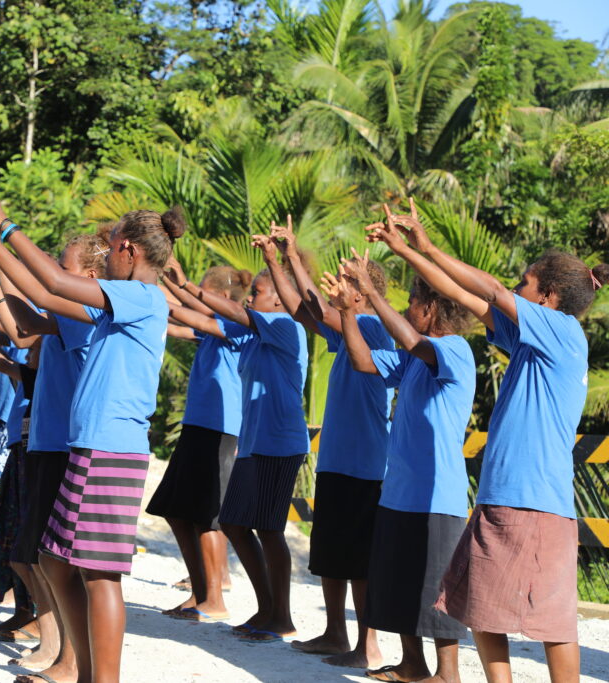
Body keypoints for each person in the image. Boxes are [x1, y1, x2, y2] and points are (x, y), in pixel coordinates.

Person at [0, 174, 182, 683]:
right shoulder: (117, 304)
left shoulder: (144, 298)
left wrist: (4, 224)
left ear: (127, 249)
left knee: (100, 576)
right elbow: (40, 296)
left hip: (111, 448)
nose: (104, 259)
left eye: (109, 250)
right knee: (54, 558)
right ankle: (83, 669)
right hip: (91, 446)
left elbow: (57, 283)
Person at [377, 201, 607, 683]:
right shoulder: (532, 340)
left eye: (527, 283)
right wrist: (408, 250)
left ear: (547, 298)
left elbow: (494, 291)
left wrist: (428, 244)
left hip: (531, 499)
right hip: (507, 496)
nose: (517, 288)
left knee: (552, 620)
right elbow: (465, 295)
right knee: (478, 606)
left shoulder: (563, 332)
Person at [325, 241, 475, 683]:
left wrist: (370, 294)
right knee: (397, 581)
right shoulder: (411, 360)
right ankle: (413, 665)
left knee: (435, 589)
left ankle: (448, 674)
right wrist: (348, 312)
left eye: (413, 303)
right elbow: (362, 360)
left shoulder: (455, 350)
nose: (409, 310)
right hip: (400, 491)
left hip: (437, 495)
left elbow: (411, 340)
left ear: (431, 309)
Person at [0, 229, 109, 679]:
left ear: (88, 275)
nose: (57, 276)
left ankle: (69, 659)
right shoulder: (69, 316)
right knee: (40, 557)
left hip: (63, 445)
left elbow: (26, 312)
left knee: (58, 561)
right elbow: (21, 320)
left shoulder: (87, 311)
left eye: (65, 267)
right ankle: (65, 655)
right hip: (44, 443)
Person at [258, 216, 392, 668]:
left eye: (347, 283)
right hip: (337, 460)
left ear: (364, 294)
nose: (338, 287)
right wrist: (279, 259)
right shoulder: (351, 326)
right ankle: (336, 634)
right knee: (332, 554)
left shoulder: (374, 328)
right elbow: (303, 309)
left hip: (366, 465)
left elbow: (318, 307)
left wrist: (294, 257)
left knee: (359, 559)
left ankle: (366, 643)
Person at [182, 237, 308, 643]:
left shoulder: (288, 327)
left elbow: (230, 310)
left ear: (281, 298)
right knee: (235, 522)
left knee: (270, 529)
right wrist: (175, 288)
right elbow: (204, 321)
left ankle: (281, 616)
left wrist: (188, 287)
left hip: (280, 443)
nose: (251, 296)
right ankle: (267, 607)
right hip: (255, 443)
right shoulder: (255, 333)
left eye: (258, 291)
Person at [148, 262, 249, 623]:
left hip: (222, 429)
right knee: (177, 510)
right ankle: (200, 591)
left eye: (200, 293)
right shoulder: (213, 330)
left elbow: (185, 311)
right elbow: (178, 323)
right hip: (198, 425)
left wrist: (152, 287)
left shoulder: (238, 325)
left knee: (208, 516)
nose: (193, 296)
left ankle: (215, 597)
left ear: (222, 298)